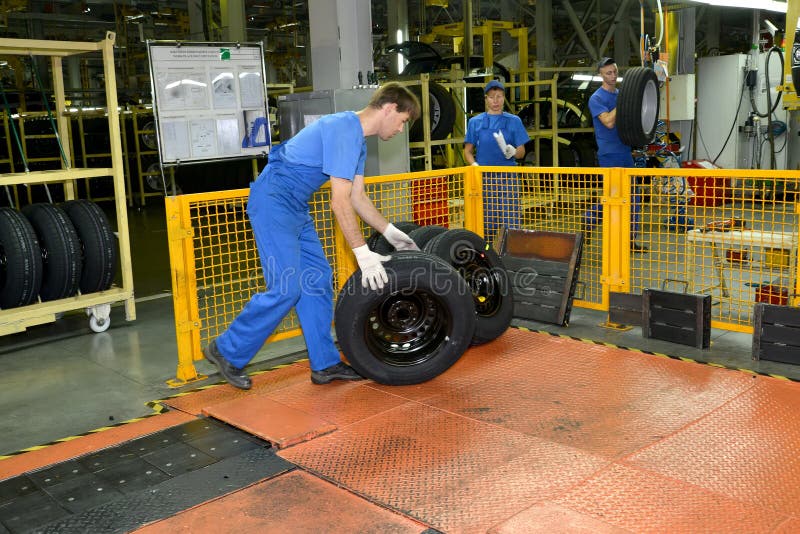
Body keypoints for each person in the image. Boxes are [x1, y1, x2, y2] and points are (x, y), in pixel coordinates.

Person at [203, 82, 422, 389]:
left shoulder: (358, 141)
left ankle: (325, 363)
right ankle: (226, 350)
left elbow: (357, 197)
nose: (401, 129)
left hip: (295, 206)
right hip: (273, 201)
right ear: (388, 108)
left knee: (317, 279)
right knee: (287, 287)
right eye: (403, 121)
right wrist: (362, 253)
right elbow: (339, 202)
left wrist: (389, 231)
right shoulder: (344, 128)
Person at [586, 57, 648, 253]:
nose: (613, 76)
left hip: (625, 152)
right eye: (608, 73)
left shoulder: (622, 94)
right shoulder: (596, 99)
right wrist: (623, 101)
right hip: (609, 155)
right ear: (601, 75)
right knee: (613, 198)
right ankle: (588, 219)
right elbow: (609, 122)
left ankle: (630, 240)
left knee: (633, 198)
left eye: (614, 72)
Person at [464, 80, 530, 244]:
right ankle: (485, 254)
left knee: (511, 220)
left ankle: (511, 256)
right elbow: (467, 151)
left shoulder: (514, 121)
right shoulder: (475, 122)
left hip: (508, 177)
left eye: (499, 96)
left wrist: (514, 151)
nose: (495, 101)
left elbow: (522, 152)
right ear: (486, 99)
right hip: (485, 179)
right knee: (487, 221)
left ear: (504, 98)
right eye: (492, 97)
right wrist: (474, 166)